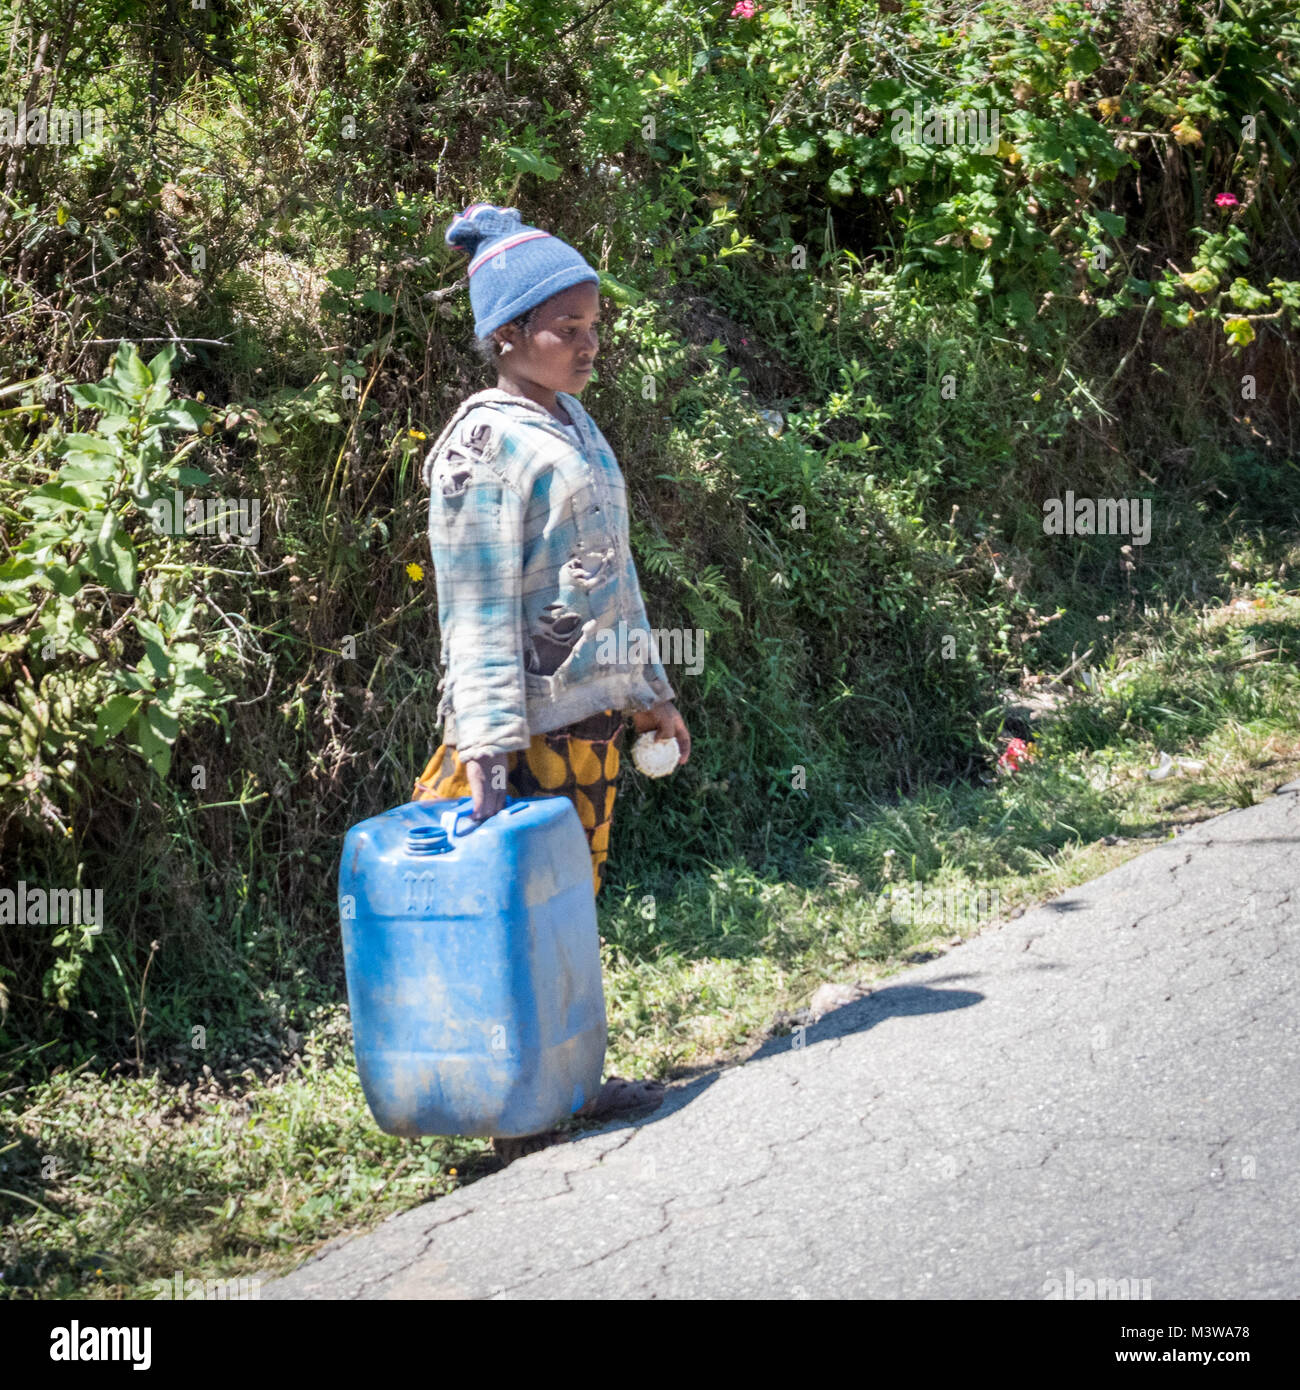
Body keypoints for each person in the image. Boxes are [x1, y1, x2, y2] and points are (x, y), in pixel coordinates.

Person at [411, 203, 691, 1160]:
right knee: (503, 925)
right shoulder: (482, 451)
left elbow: (615, 574)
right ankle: (509, 1114)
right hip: (515, 736)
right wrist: (487, 748)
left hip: (590, 727)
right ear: (505, 335)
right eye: (565, 330)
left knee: (565, 916)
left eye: (593, 328)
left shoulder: (573, 424)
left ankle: (565, 1083)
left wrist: (651, 690)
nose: (587, 346)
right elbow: (476, 610)